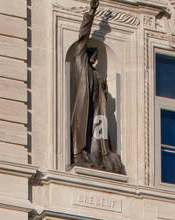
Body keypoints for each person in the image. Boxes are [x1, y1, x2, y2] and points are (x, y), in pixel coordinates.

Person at [67, 1, 125, 173]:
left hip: (97, 114)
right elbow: (83, 36)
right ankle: (79, 154)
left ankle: (98, 157)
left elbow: (103, 94)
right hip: (83, 109)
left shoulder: (96, 74)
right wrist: (91, 13)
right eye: (95, 55)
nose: (96, 59)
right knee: (83, 129)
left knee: (97, 135)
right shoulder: (80, 62)